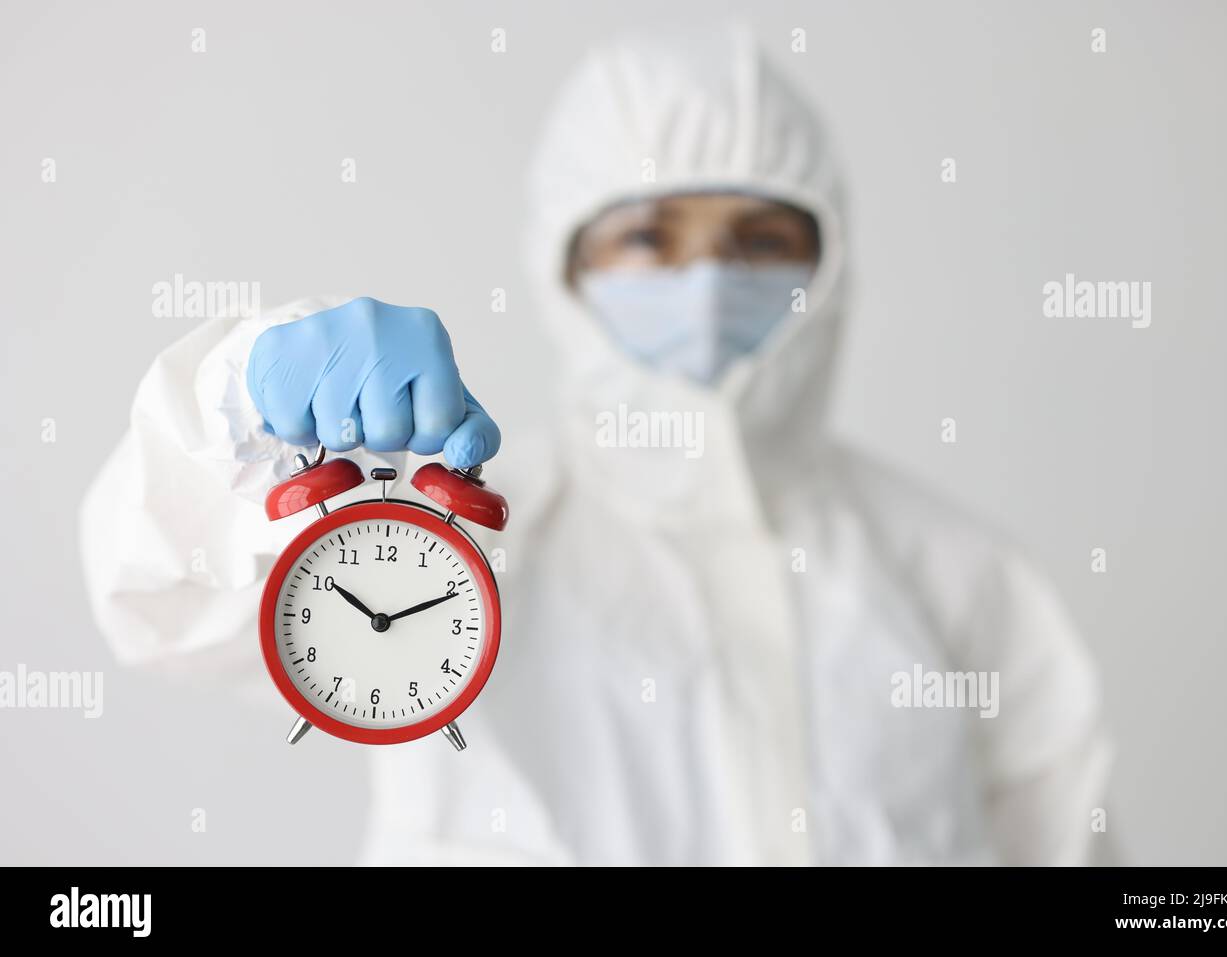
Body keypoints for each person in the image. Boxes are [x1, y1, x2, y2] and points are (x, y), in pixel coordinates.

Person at [79, 31, 1111, 866]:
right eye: (649, 239)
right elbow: (166, 609)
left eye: (758, 242)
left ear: (826, 265)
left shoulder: (960, 582)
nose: (704, 286)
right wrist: (242, 407)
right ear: (563, 265)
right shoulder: (455, 553)